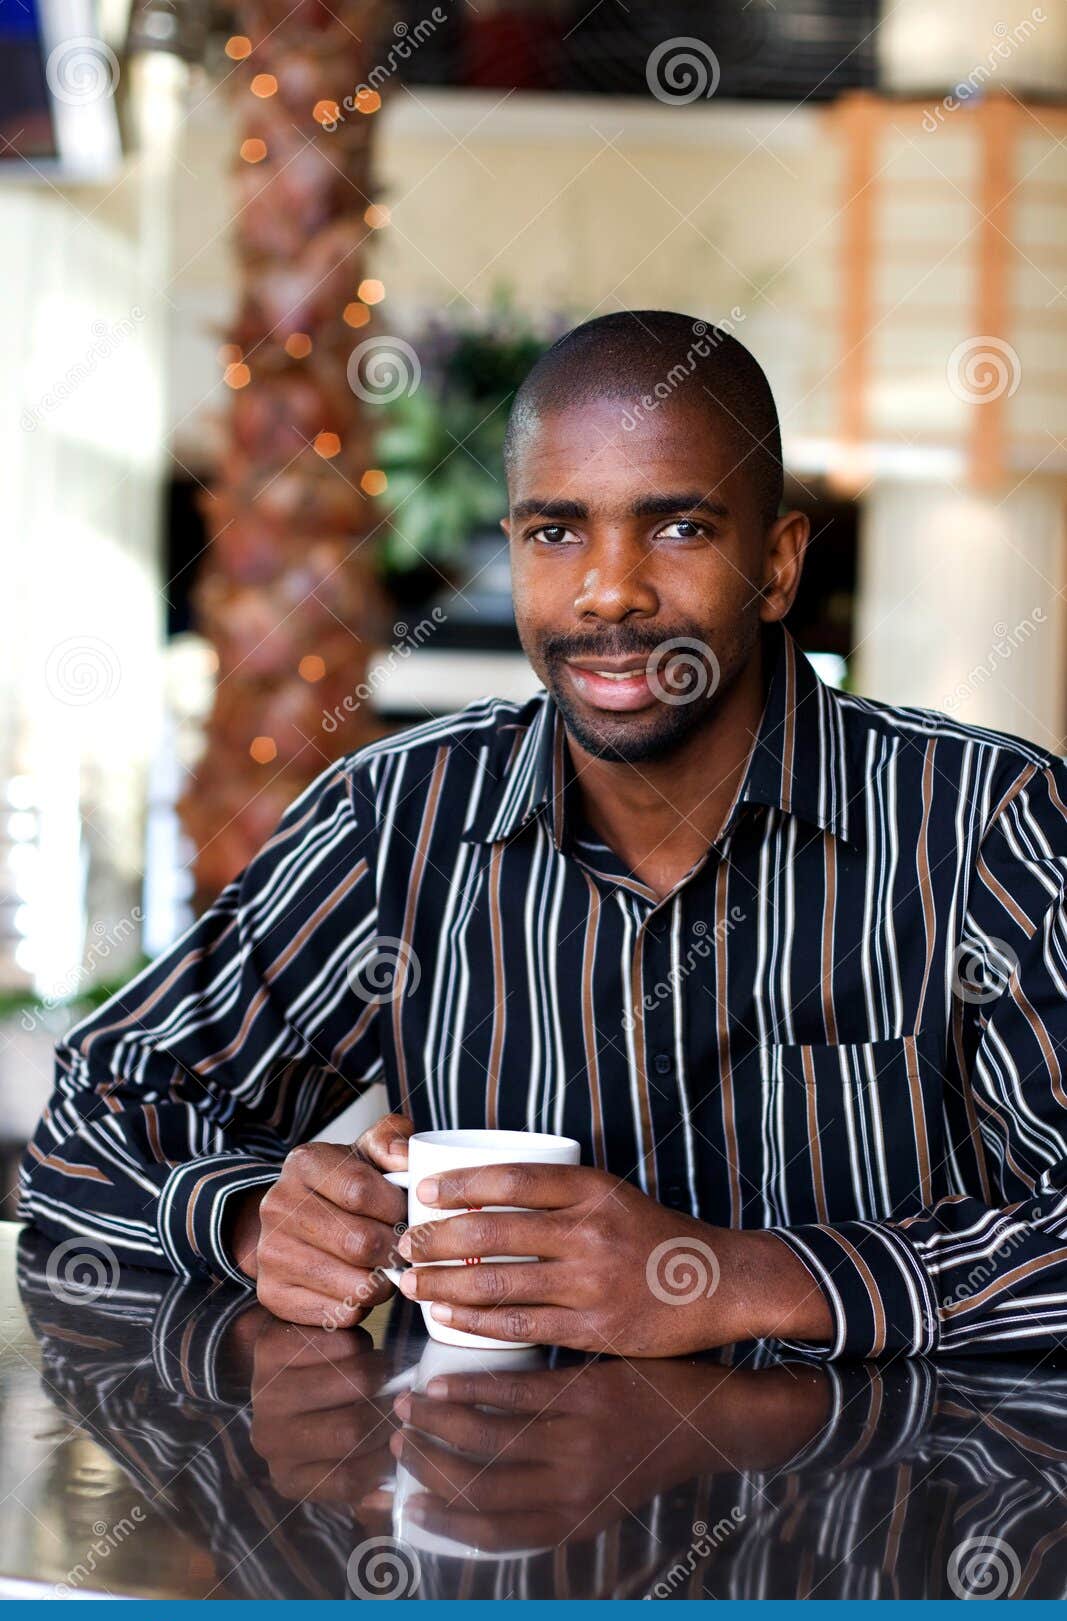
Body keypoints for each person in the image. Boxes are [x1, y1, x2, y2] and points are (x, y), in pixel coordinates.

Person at [20, 311, 1067, 1360]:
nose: (608, 589)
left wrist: (735, 1280)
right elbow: (91, 1121)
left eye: (678, 527)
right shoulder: (397, 824)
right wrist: (255, 1220)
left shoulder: (983, 825)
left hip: (885, 1514)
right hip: (488, 1509)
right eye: (554, 532)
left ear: (778, 562)